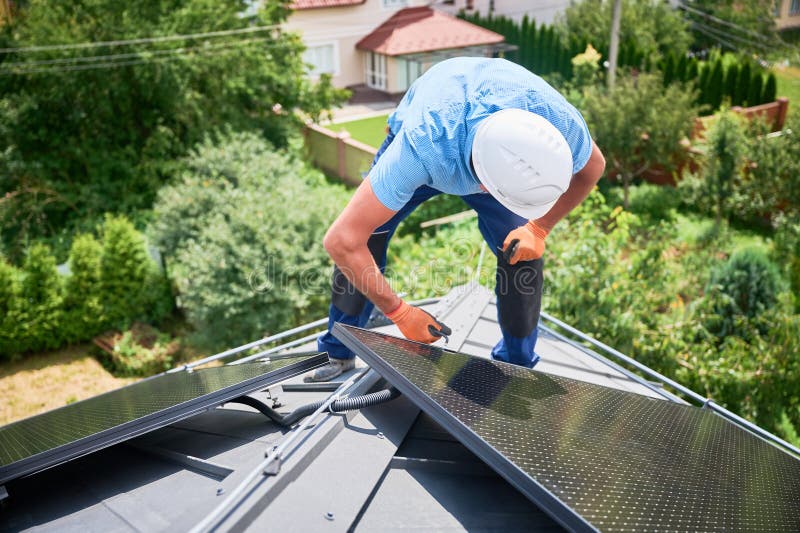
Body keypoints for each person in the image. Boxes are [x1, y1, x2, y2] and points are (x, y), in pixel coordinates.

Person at [305, 57, 605, 382]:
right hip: (433, 134)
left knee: (521, 251)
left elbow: (593, 169)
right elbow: (341, 241)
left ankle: (516, 365)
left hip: (489, 127)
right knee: (368, 237)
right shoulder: (419, 151)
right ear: (487, 186)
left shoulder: (558, 128)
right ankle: (338, 351)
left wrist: (538, 227)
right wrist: (399, 312)